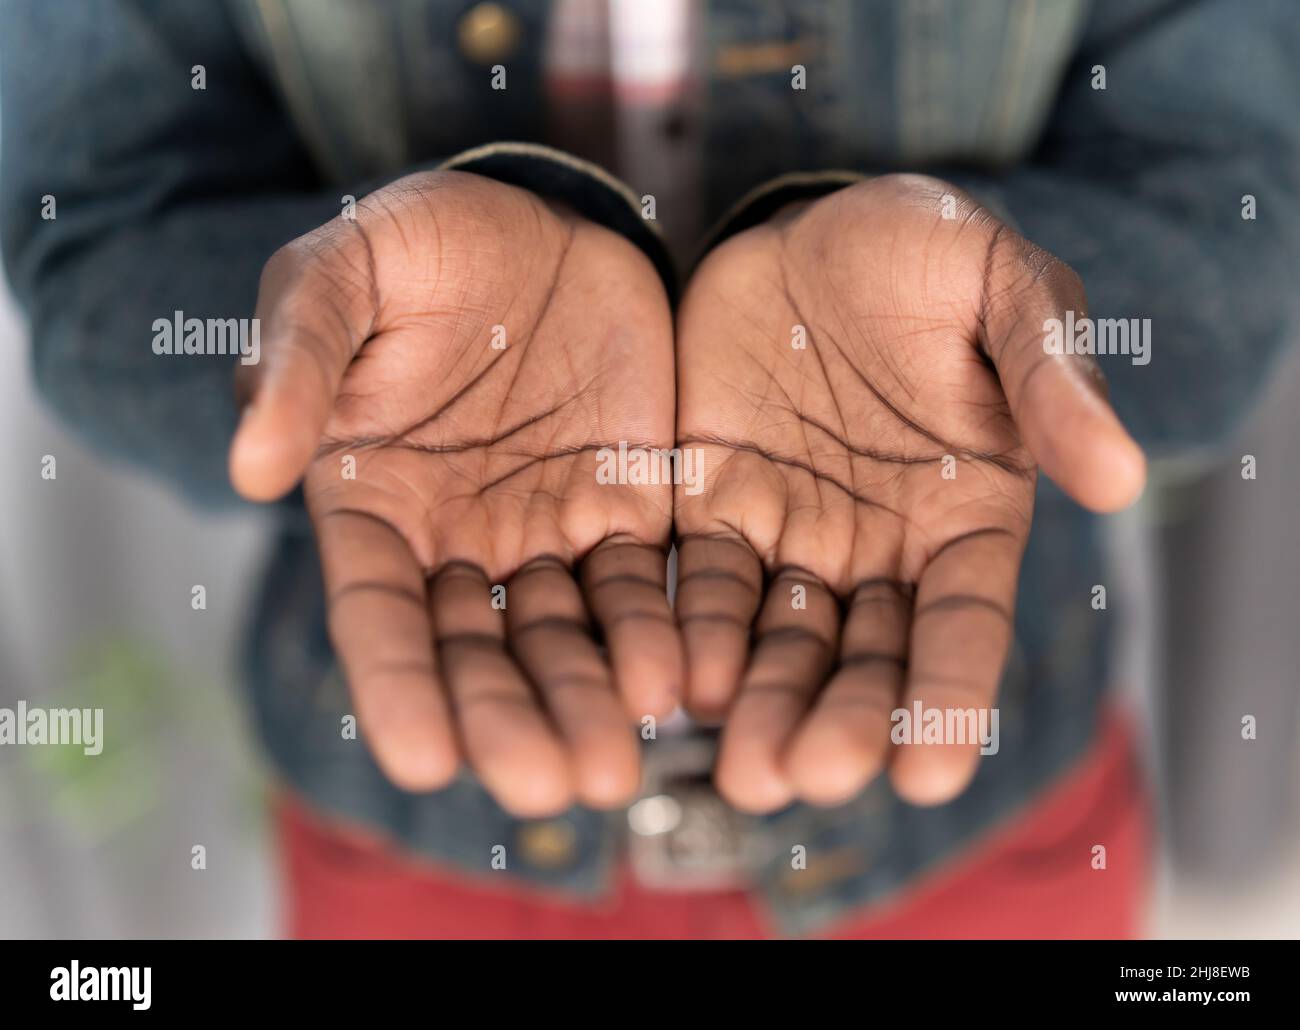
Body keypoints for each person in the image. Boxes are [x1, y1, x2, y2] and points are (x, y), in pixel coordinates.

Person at [2, 0, 1296, 939]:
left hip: (982, 813)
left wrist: (977, 296)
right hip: (415, 844)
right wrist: (349, 310)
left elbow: (1232, 220)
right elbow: (93, 231)